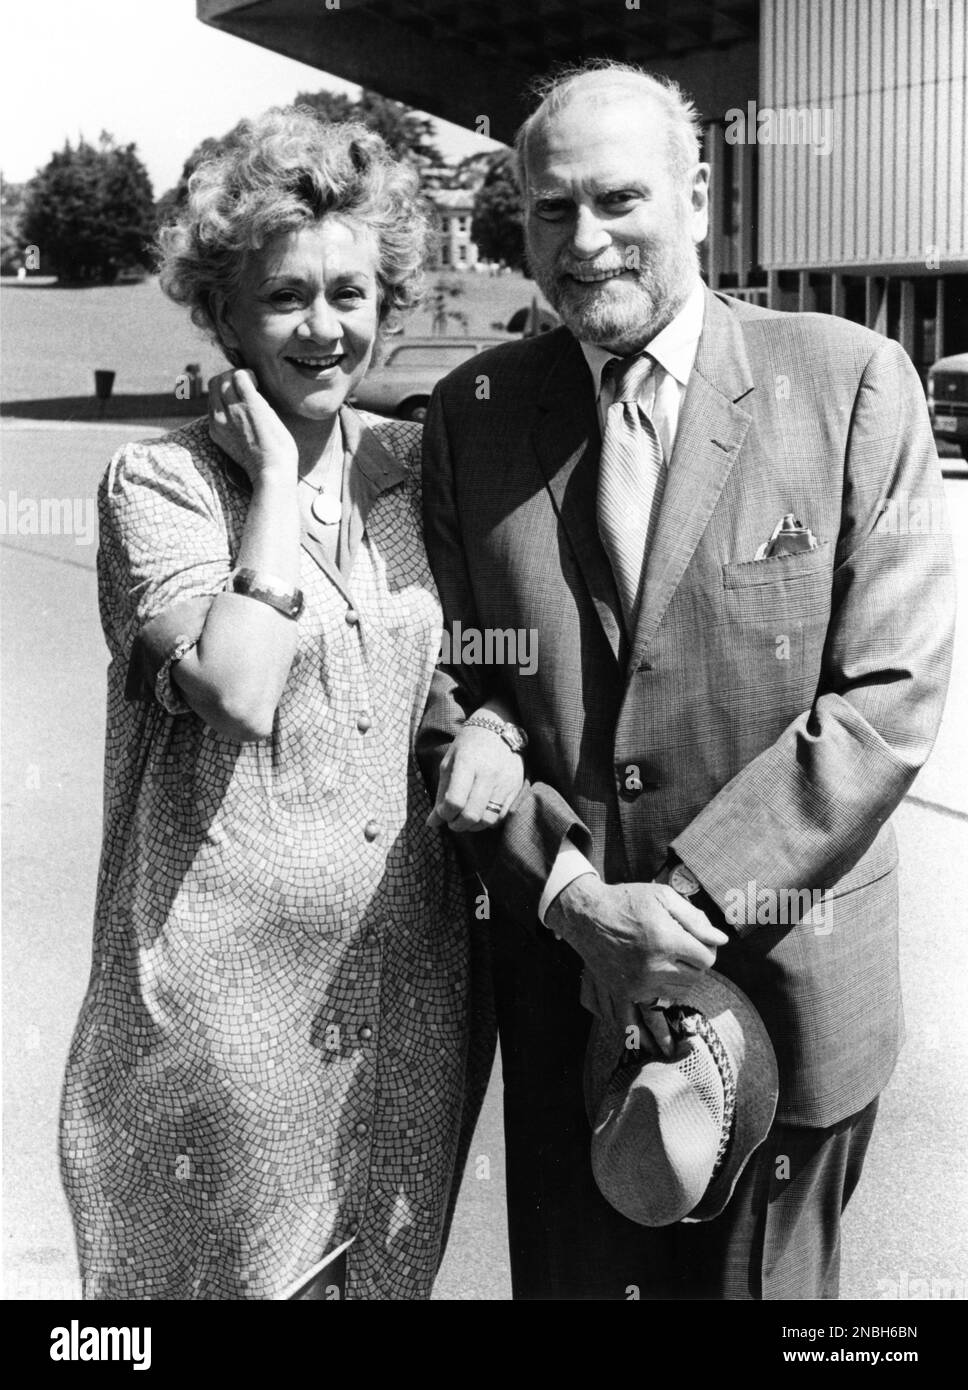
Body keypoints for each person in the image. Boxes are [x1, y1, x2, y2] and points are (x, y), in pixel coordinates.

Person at [420, 62, 956, 1300]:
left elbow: (884, 701)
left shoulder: (852, 383)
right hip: (570, 1005)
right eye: (552, 212)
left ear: (695, 198)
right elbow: (444, 696)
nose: (585, 241)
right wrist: (573, 903)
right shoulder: (474, 414)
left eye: (618, 200)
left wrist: (675, 905)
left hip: (785, 1003)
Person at [59, 107, 522, 1302]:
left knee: (378, 1280)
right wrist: (274, 482)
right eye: (285, 298)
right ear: (219, 313)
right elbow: (238, 689)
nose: (325, 328)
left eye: (351, 293)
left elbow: (466, 669)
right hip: (225, 1003)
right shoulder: (159, 483)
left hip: (406, 986)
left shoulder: (416, 470)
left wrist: (487, 726)